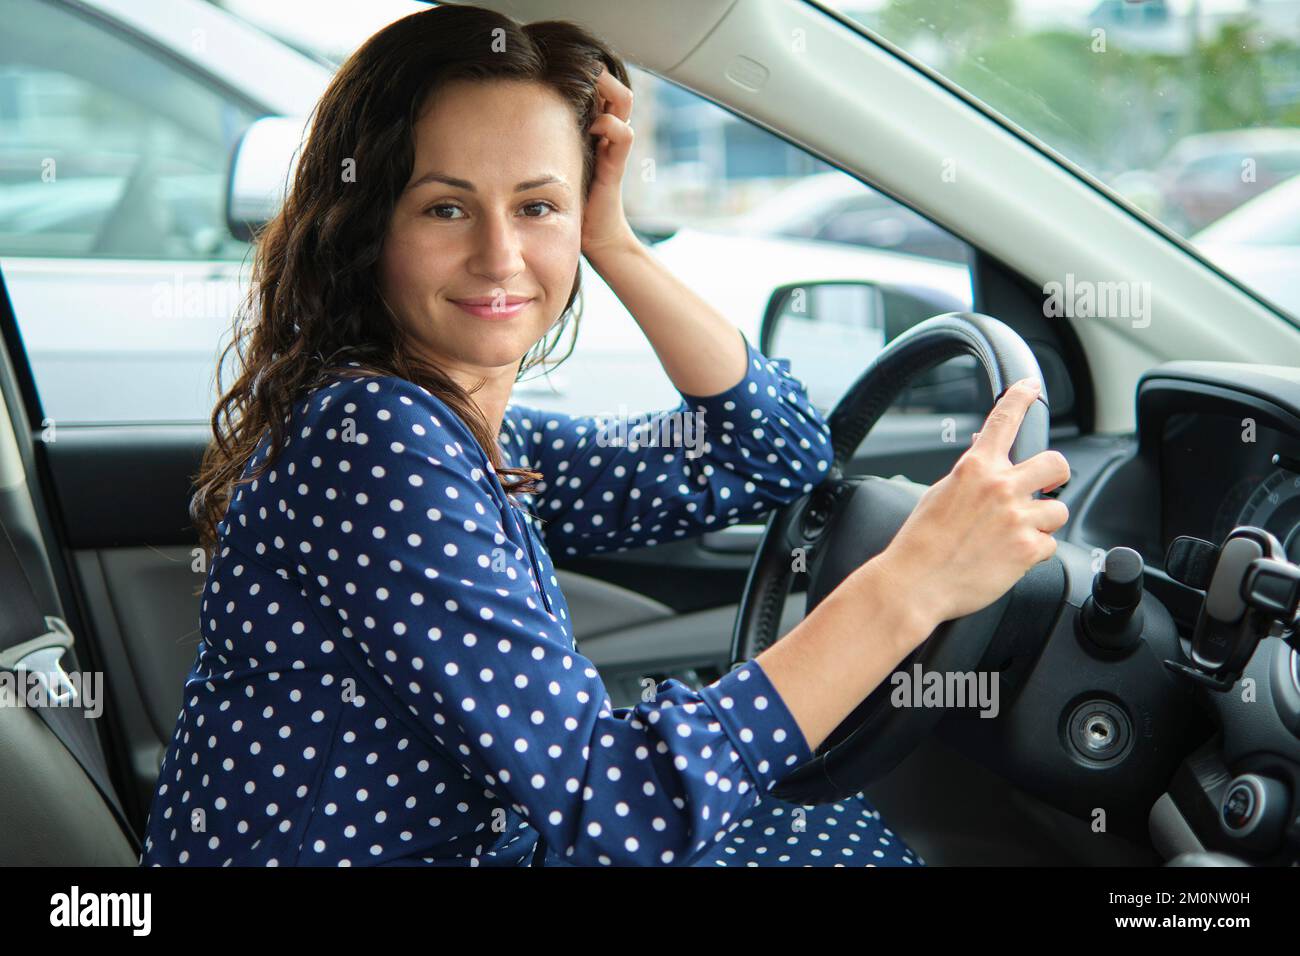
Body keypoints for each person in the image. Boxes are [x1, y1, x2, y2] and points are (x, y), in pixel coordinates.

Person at [141, 3, 1070, 867]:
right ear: (365, 223)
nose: (501, 256)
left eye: (538, 206)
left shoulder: (470, 436)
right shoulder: (373, 437)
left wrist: (613, 239)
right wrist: (914, 583)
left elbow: (776, 449)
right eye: (445, 207)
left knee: (821, 830)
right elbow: (611, 803)